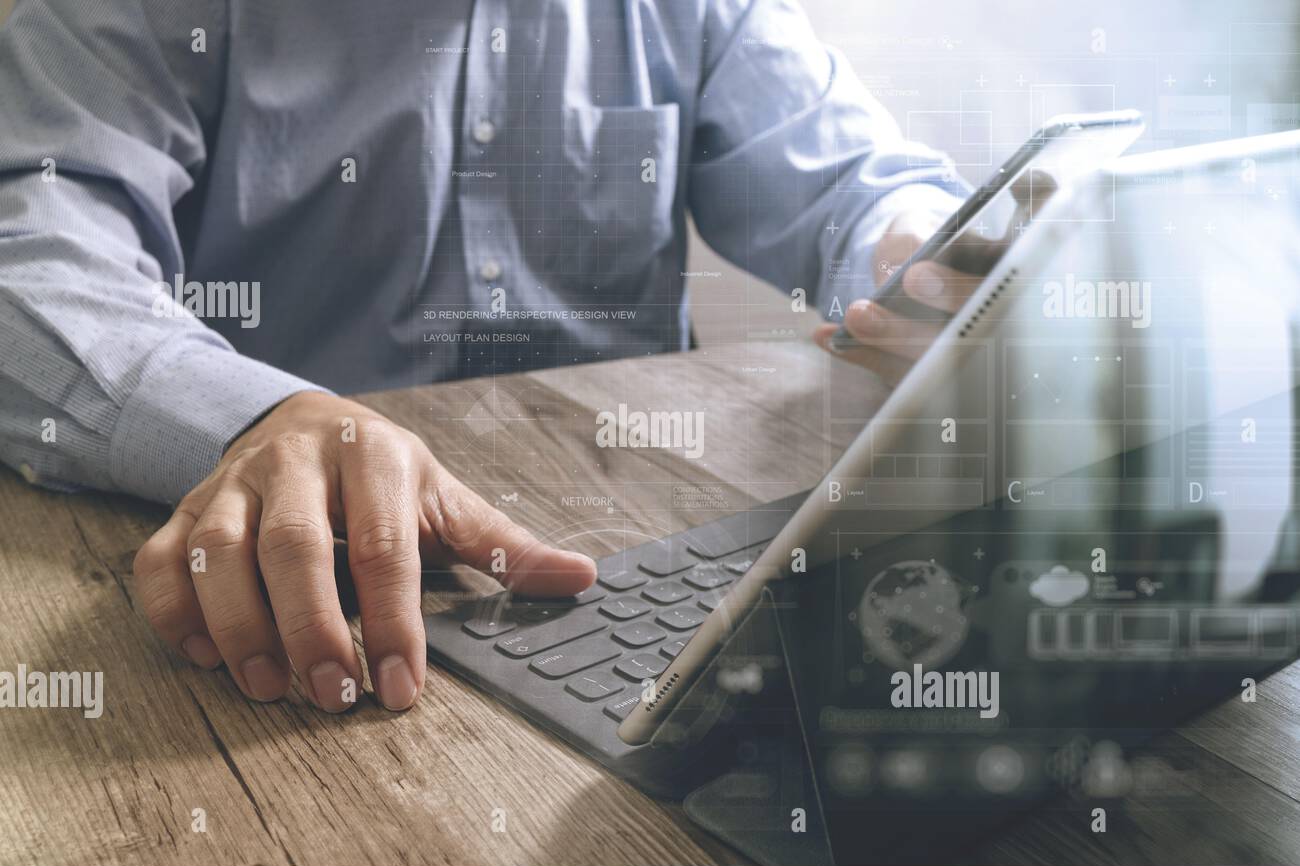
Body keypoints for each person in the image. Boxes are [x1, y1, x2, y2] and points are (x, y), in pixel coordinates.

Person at [0, 0, 985, 713]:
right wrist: (251, 418)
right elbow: (32, 259)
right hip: (293, 589)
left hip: (653, 560)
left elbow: (858, 183)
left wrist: (922, 263)